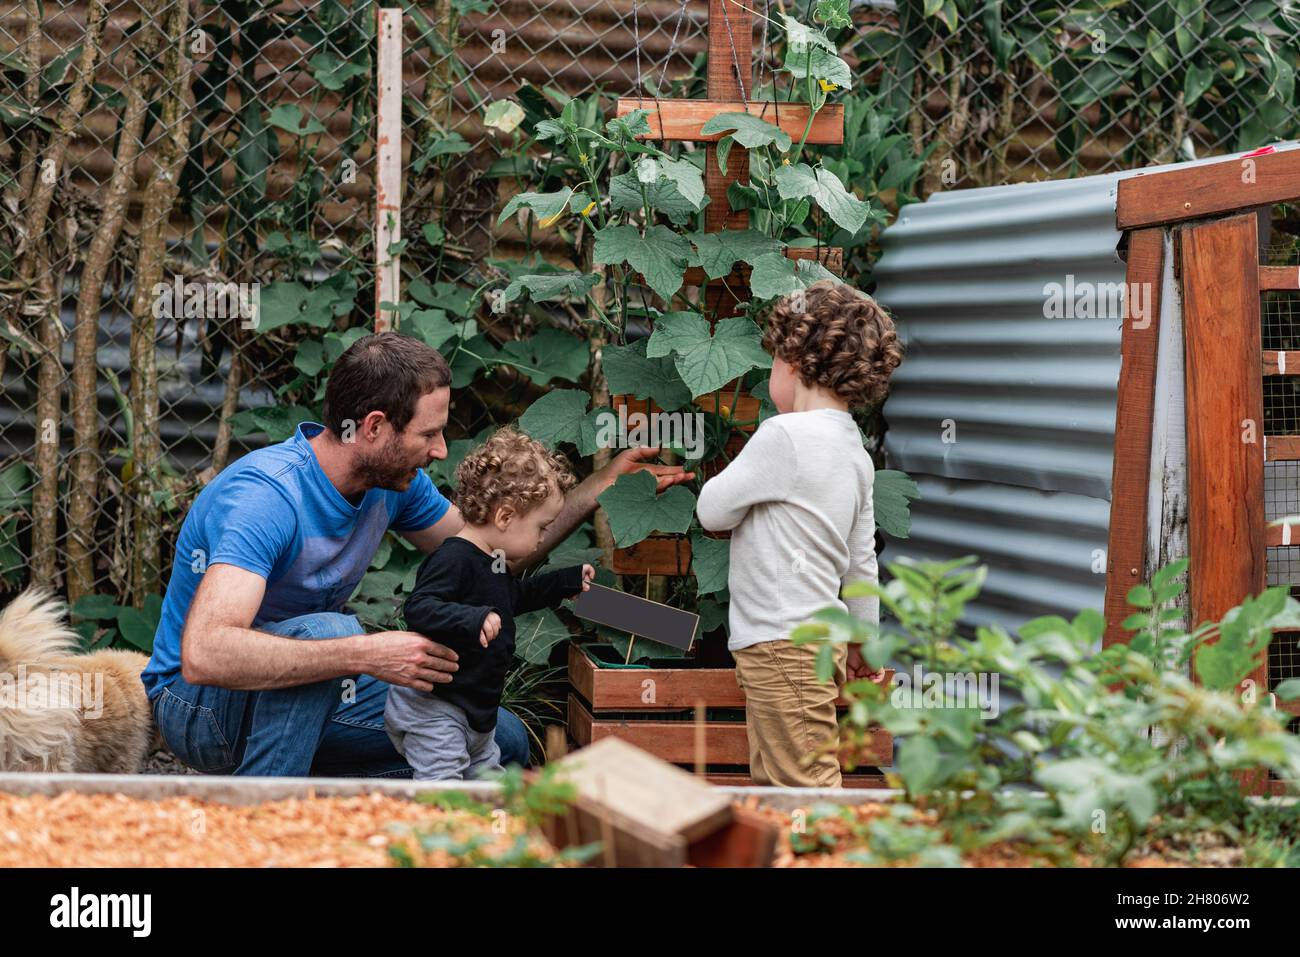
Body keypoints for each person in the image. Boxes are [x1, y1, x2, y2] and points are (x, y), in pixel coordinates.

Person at [143, 332, 692, 776]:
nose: (440, 451)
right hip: (202, 707)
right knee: (334, 634)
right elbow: (206, 654)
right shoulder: (267, 499)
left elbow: (497, 554)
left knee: (499, 738)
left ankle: (343, 809)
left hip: (310, 693)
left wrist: (600, 487)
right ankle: (261, 819)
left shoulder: (392, 483)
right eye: (428, 434)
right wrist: (365, 654)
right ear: (376, 427)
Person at [696, 281, 903, 787]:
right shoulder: (854, 450)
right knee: (777, 783)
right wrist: (861, 641)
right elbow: (860, 561)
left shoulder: (782, 437)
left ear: (792, 362)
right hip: (819, 642)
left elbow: (711, 511)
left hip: (780, 642)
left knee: (808, 787)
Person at [385, 428, 595, 780]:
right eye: (541, 527)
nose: (544, 537)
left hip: (475, 712)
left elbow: (513, 598)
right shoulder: (454, 557)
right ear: (505, 517)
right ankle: (441, 834)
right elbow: (419, 607)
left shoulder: (492, 561)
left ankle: (488, 832)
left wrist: (565, 581)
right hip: (436, 710)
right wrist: (473, 618)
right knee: (445, 792)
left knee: (488, 788)